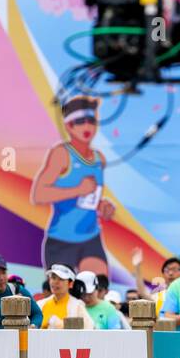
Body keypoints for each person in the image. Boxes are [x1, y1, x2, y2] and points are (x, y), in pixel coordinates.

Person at [32, 94, 114, 275]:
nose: (86, 126)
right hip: (61, 240)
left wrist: (103, 206)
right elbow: (38, 194)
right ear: (69, 125)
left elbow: (90, 200)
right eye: (80, 121)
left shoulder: (99, 159)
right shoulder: (61, 154)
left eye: (91, 120)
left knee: (98, 289)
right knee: (63, 295)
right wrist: (78, 190)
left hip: (90, 237)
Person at [37, 264, 79, 328]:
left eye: (61, 279)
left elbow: (87, 330)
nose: (56, 282)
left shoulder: (77, 306)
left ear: (71, 284)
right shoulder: (40, 304)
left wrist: (59, 324)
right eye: (53, 278)